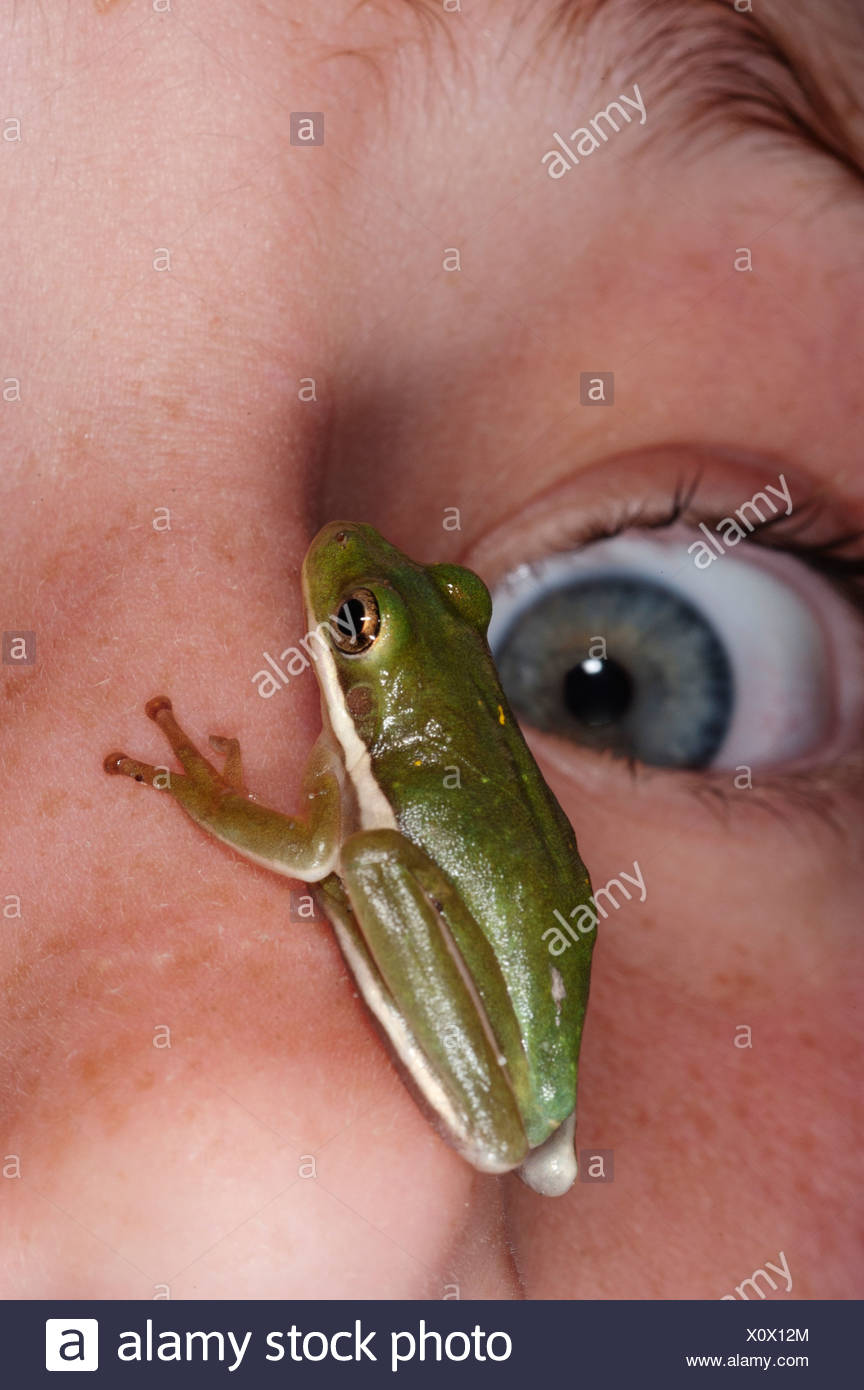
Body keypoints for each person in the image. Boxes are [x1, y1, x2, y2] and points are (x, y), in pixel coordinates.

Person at [2, 0, 861, 1299]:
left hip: (506, 1051)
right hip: (504, 1003)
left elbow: (318, 843)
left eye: (622, 678)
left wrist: (199, 782)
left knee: (366, 845)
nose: (230, 1179)